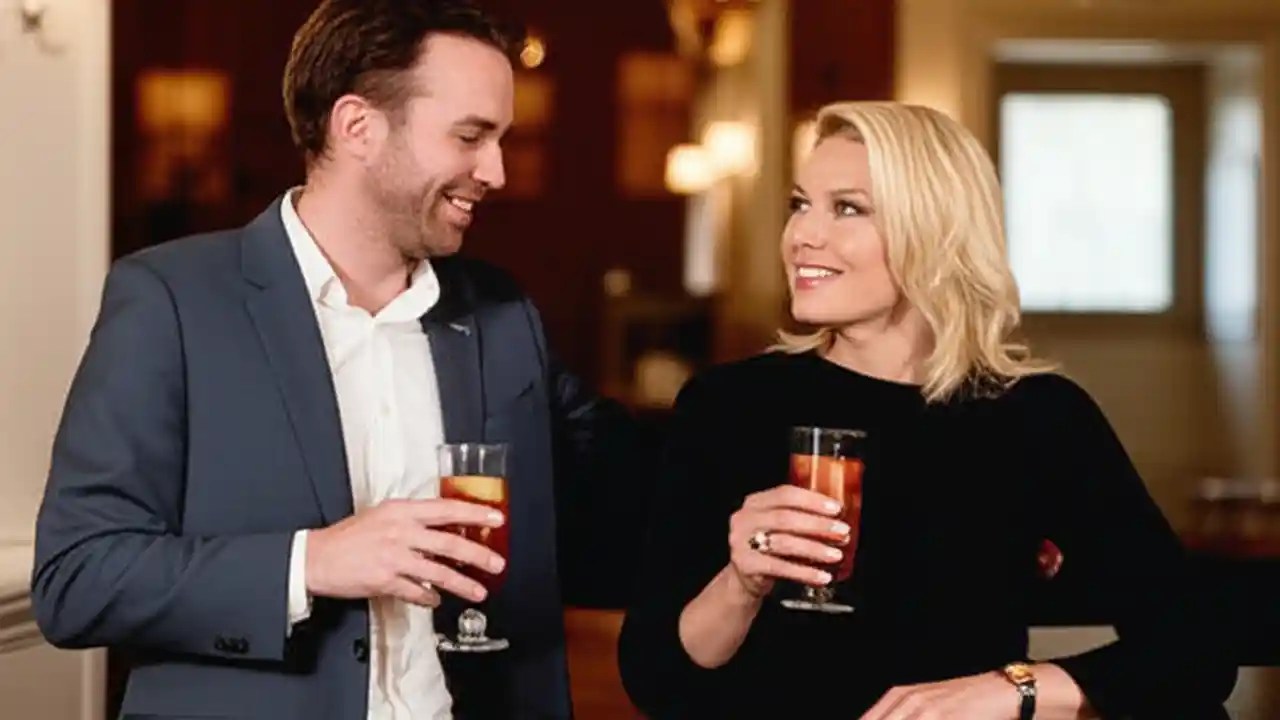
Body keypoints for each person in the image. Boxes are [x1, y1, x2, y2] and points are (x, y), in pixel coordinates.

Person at [30, 1, 649, 718]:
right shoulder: (171, 301)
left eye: (500, 139)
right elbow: (76, 579)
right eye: (471, 136)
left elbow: (635, 489)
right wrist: (313, 562)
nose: (498, 171)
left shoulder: (502, 317)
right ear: (358, 126)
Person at [617, 101, 1238, 719]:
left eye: (849, 208)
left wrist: (1005, 689)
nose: (803, 234)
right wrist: (741, 583)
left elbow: (1193, 651)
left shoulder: (1039, 419)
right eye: (800, 204)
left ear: (936, 233)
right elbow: (655, 678)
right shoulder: (728, 406)